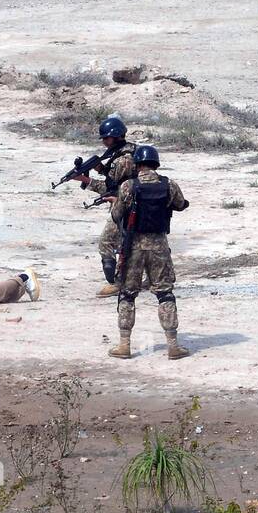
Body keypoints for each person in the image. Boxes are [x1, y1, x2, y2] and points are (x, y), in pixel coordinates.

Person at [108, 145, 190, 360]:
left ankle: (124, 345)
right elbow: (181, 205)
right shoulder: (169, 185)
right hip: (159, 247)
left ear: (137, 164)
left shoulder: (128, 186)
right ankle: (173, 345)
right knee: (165, 293)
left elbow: (117, 215)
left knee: (127, 294)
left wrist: (115, 202)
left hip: (133, 247)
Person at [77, 115, 138, 297]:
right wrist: (99, 171)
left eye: (106, 138)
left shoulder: (124, 159)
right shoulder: (123, 154)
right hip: (129, 203)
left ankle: (117, 283)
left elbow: (114, 187)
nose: (104, 142)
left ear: (117, 136)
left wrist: (87, 181)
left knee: (107, 242)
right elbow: (115, 181)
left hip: (125, 205)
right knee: (129, 243)